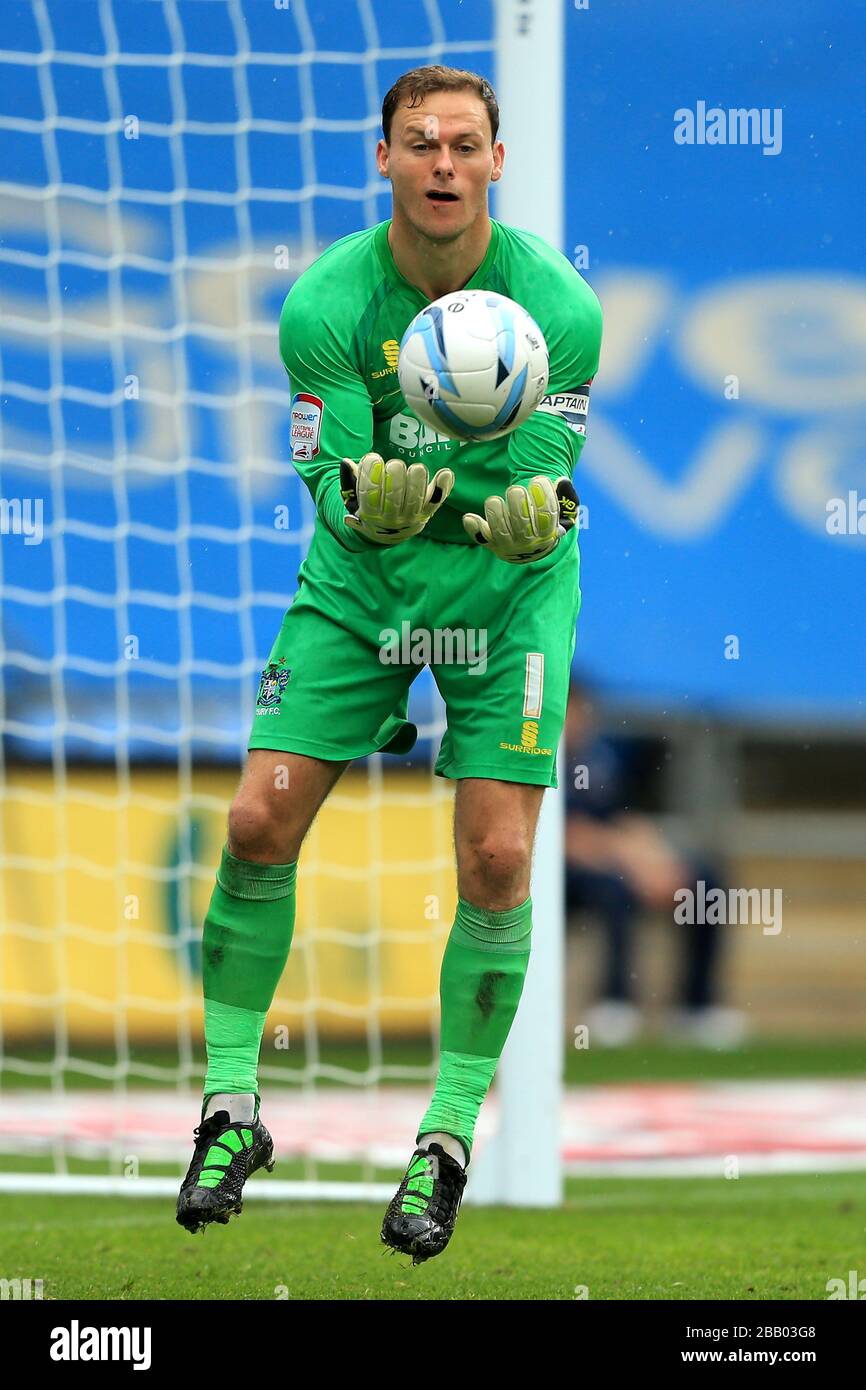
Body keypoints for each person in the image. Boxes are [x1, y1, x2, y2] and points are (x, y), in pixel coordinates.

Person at [176, 64, 602, 1263]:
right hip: (360, 588)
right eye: (419, 143)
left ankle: (447, 1137)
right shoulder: (324, 305)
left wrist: (538, 510)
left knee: (498, 853)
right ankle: (229, 1105)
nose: (442, 165)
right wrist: (361, 504)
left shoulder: (558, 311)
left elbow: (551, 474)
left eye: (464, 144)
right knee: (257, 822)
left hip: (505, 589)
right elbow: (332, 480)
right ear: (385, 160)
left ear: (496, 161)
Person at [564, 681, 746, 1047]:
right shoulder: (533, 756)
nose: (576, 720)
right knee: (613, 888)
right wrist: (624, 858)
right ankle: (615, 1002)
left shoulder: (602, 759)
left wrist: (658, 862)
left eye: (581, 711)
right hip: (560, 876)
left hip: (612, 862)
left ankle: (697, 1006)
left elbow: (626, 818)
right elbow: (562, 834)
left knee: (704, 883)